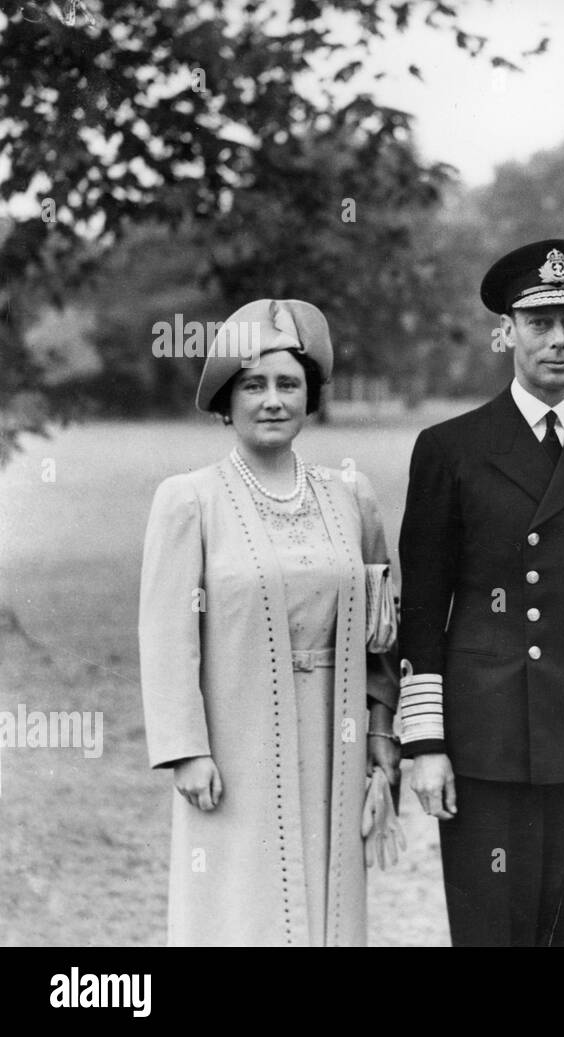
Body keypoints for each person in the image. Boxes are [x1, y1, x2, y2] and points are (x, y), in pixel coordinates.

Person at [397, 238, 564, 947]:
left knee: (563, 924)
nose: (557, 340)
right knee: (490, 928)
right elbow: (423, 603)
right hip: (485, 734)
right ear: (507, 331)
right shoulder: (451, 448)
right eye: (539, 323)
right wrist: (426, 742)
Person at [138, 299, 400, 946]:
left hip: (334, 740)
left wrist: (381, 736)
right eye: (253, 384)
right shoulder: (188, 500)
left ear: (310, 396)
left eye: (289, 384)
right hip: (234, 741)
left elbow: (383, 635)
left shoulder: (350, 496)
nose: (273, 399)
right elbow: (167, 635)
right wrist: (187, 750)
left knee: (327, 904)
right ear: (227, 399)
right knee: (238, 902)